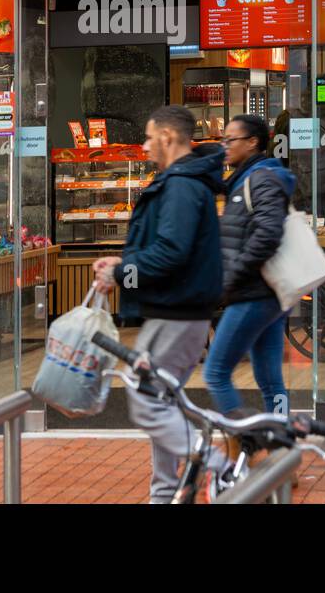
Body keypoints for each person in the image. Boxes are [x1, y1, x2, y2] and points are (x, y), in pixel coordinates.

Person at [92, 104, 226, 503]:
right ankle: (165, 494)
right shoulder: (183, 181)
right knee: (160, 399)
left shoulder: (182, 185)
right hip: (175, 310)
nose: (146, 146)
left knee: (147, 400)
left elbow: (171, 253)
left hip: (176, 313)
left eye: (150, 137)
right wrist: (123, 266)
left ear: (168, 137)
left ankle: (215, 464)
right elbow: (166, 251)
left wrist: (120, 275)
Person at [204, 114, 295, 417]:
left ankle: (247, 443)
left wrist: (234, 274)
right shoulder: (244, 178)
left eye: (231, 140)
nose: (225, 146)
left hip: (253, 293)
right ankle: (281, 441)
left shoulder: (262, 177)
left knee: (215, 373)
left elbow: (268, 232)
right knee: (271, 381)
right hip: (267, 294)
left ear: (253, 142)